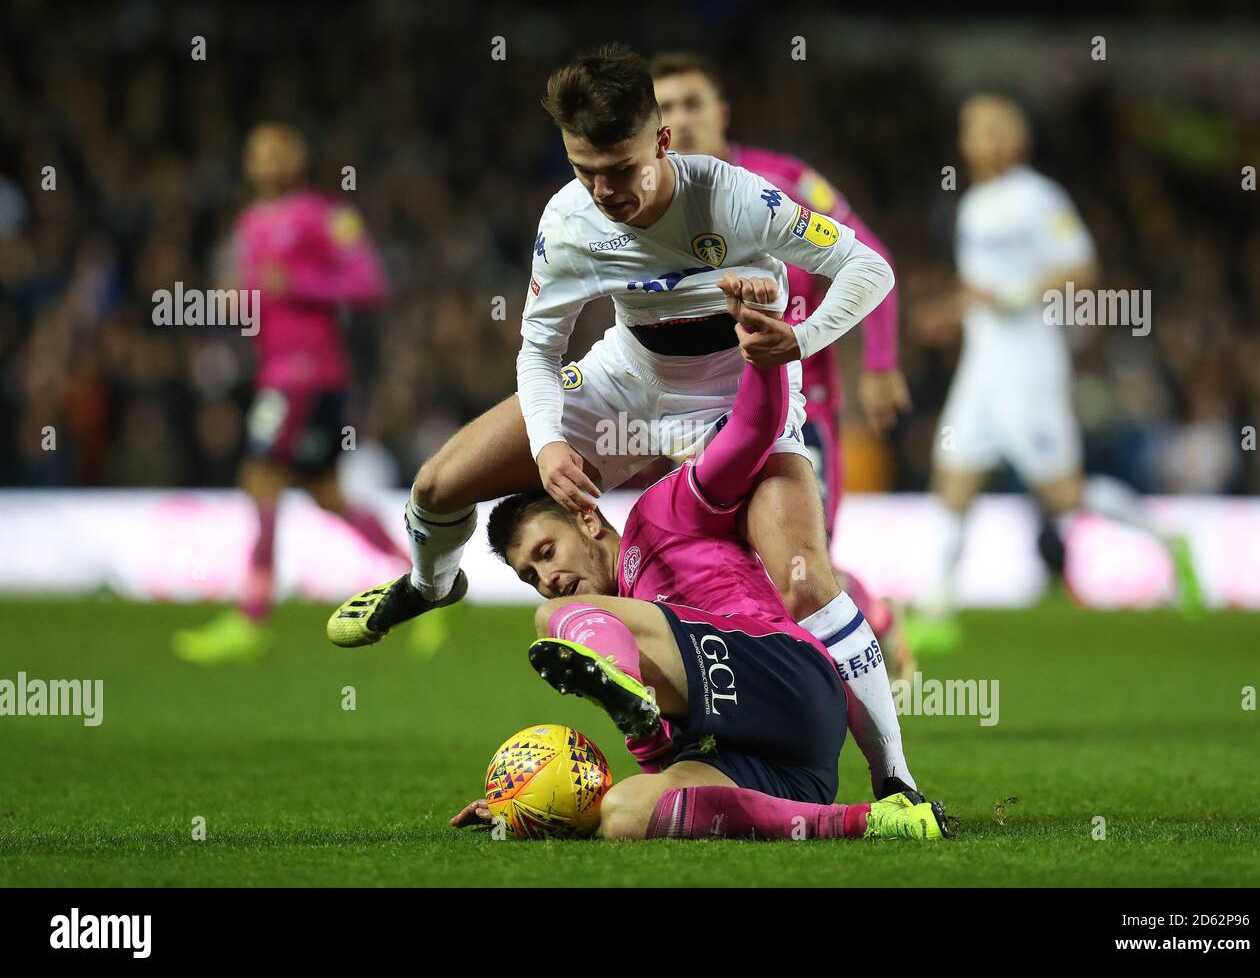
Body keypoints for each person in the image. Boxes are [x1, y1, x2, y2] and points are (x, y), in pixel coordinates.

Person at [327, 45, 916, 797]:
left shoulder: (734, 198)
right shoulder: (569, 222)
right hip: (626, 380)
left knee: (805, 582)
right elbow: (538, 348)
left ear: (663, 141)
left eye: (619, 168)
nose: (603, 190)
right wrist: (546, 445)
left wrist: (798, 339)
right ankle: (430, 582)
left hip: (738, 401)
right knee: (439, 485)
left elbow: (871, 267)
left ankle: (895, 779)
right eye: (584, 169)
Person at [450, 275, 951, 840]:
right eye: (530, 575)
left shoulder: (662, 513)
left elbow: (752, 431)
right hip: (781, 760)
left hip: (786, 673)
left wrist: (762, 348)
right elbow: (666, 766)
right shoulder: (616, 627)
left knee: (552, 625)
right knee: (623, 814)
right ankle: (867, 822)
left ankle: (628, 701)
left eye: (547, 552)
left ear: (588, 518)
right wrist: (534, 805)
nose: (548, 578)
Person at [906, 95, 1204, 654]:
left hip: (1029, 367)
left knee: (1063, 496)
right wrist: (951, 312)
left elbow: (1081, 268)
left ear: (1017, 141)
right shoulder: (972, 205)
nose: (982, 140)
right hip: (982, 367)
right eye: (974, 130)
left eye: (994, 129)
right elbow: (981, 291)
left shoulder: (1039, 198)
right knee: (953, 479)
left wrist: (1016, 296)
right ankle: (939, 609)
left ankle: (1168, 539)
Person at [650, 51, 913, 677]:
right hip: (702, 417)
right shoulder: (652, 203)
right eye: (664, 109)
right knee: (740, 573)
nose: (681, 121)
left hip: (802, 415)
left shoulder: (785, 180)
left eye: (692, 104)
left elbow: (869, 257)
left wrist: (878, 363)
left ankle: (859, 635)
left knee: (796, 573)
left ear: (722, 111)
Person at [174, 123, 404, 665]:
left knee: (259, 479)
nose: (265, 160)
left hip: (307, 374)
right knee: (325, 495)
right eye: (256, 151)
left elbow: (371, 284)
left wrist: (300, 286)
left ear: (297, 158)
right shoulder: (250, 223)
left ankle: (251, 618)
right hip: (275, 371)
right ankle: (423, 581)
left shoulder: (325, 216)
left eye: (276, 150)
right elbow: (255, 296)